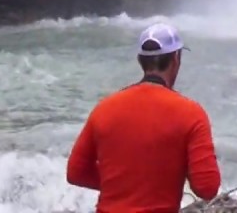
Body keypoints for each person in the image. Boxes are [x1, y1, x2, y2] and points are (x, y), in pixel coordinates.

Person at [66, 21, 221, 212]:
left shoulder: (104, 108)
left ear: (140, 61)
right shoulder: (191, 114)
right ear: (176, 59)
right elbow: (207, 187)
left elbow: (75, 172)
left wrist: (120, 185)